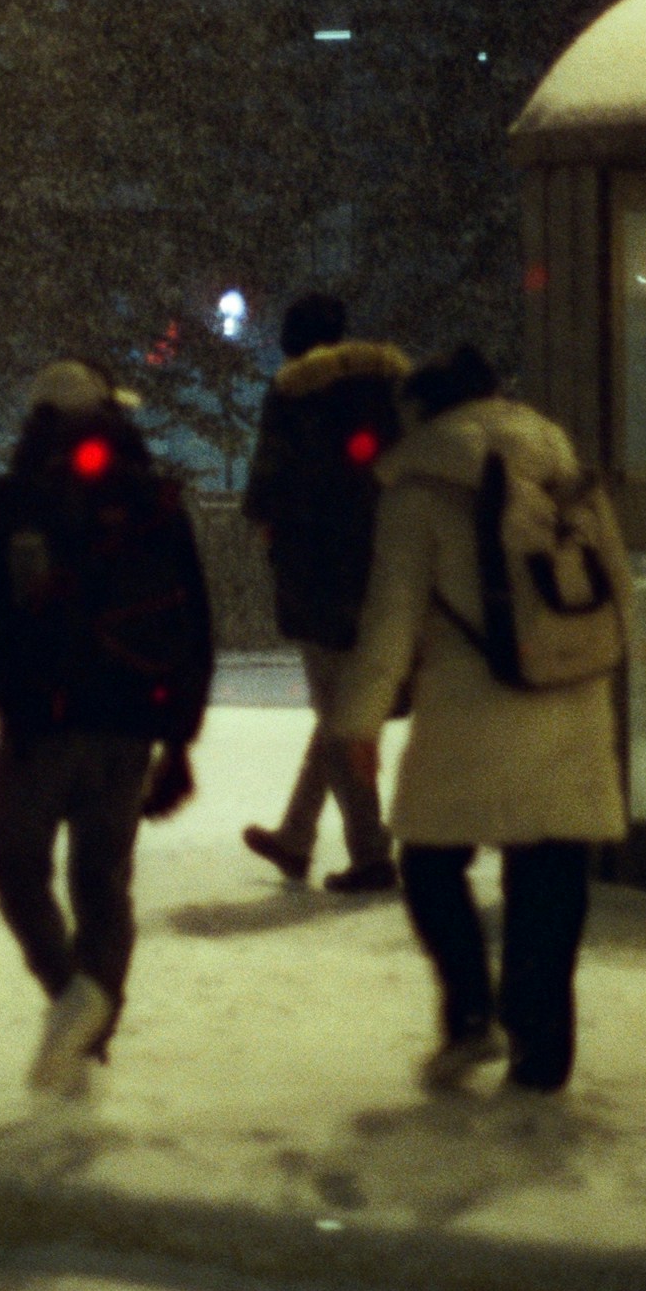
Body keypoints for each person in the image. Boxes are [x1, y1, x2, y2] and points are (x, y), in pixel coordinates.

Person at [327, 344, 627, 1094]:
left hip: (471, 702)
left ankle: (468, 1015)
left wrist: (357, 723)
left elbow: (389, 621)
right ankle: (543, 1051)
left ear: (423, 412)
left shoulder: (419, 488)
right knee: (550, 872)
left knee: (428, 860)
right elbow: (616, 587)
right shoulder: (561, 471)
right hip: (571, 696)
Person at [0, 360, 214, 1095]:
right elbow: (194, 628)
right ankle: (89, 1029)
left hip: (39, 727)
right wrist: (178, 740)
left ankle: (71, 997)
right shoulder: (155, 505)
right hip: (128, 729)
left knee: (11, 857)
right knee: (103, 885)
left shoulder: (11, 504)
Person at [238, 292, 408, 894]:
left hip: (318, 572)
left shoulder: (293, 393)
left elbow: (269, 485)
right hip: (385, 566)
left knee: (338, 716)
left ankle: (370, 851)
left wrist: (272, 527)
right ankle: (295, 837)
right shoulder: (389, 387)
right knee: (343, 706)